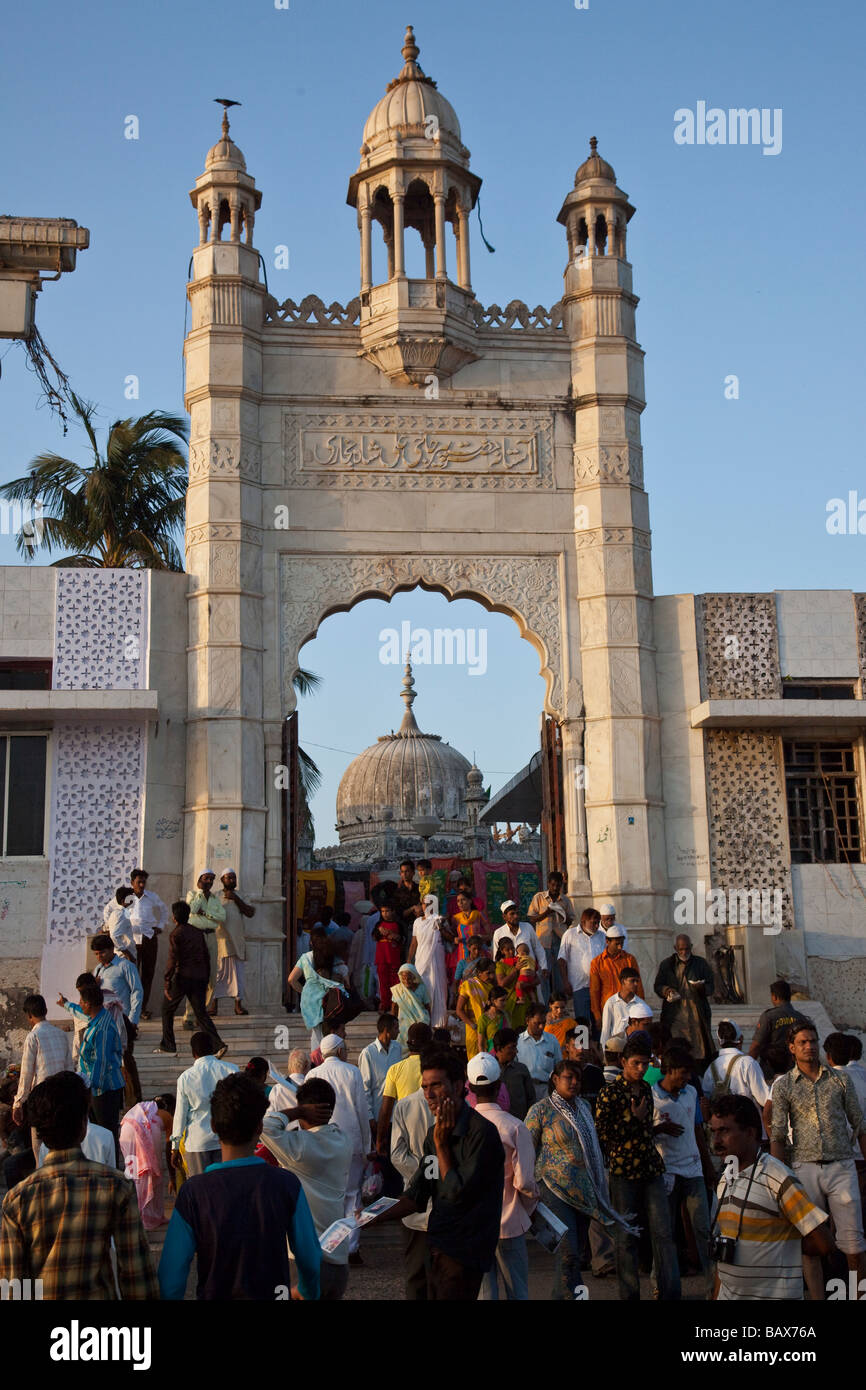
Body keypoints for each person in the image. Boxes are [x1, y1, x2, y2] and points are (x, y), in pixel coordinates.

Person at [159, 1071, 321, 1300]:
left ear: (213, 1126)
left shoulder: (193, 1192)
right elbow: (309, 1258)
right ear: (259, 1128)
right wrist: (308, 1291)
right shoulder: (285, 1184)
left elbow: (171, 1277)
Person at [0, 1071, 158, 1300]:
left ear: (40, 1132)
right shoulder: (117, 1188)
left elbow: (13, 1286)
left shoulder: (18, 1199)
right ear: (84, 1124)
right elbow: (137, 1278)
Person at [367, 1048, 505, 1300]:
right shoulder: (434, 1133)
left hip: (465, 1252)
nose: (428, 1095)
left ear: (457, 1085)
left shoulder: (482, 1135)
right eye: (425, 1086)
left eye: (436, 1085)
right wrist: (372, 1215)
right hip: (436, 1245)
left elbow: (456, 1193)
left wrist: (442, 1146)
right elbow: (419, 1192)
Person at [769, 1020, 866, 1297]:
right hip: (803, 1168)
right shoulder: (784, 1085)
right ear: (792, 1048)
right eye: (802, 1042)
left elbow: (859, 1124)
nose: (809, 1046)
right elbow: (777, 1133)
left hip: (841, 1165)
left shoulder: (840, 1079)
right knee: (809, 1244)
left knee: (854, 1244)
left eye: (812, 1041)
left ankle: (858, 1295)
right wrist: (778, 1181)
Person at [708, 1093, 835, 1301]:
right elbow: (725, 1255)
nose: (716, 1141)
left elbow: (823, 1243)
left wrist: (780, 1249)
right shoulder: (726, 1178)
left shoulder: (778, 1178)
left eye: (724, 1131)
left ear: (750, 1132)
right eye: (713, 1132)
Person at [526, 1059, 634, 1299]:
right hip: (552, 1191)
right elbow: (525, 1152)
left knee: (575, 1258)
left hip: (583, 1194)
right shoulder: (540, 1110)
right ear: (555, 1079)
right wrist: (526, 1190)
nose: (574, 1083)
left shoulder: (584, 1106)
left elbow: (593, 1147)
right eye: (568, 1078)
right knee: (568, 1254)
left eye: (578, 1079)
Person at [595, 1037, 680, 1301]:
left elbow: (644, 1132)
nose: (642, 1068)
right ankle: (629, 1295)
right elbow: (603, 1135)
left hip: (650, 1167)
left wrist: (644, 1124)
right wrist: (635, 1119)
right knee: (626, 1237)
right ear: (622, 1062)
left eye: (645, 1063)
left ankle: (669, 1293)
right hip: (623, 1171)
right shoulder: (608, 1093)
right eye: (636, 1063)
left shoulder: (645, 1088)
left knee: (664, 1233)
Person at [262, 1076, 353, 1300]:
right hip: (339, 1259)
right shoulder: (344, 1140)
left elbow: (264, 1126)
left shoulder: (299, 1148)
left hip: (305, 1259)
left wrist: (297, 1112)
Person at [468, 1052, 538, 1301]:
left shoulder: (464, 1126)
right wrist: (527, 1211)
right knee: (517, 1290)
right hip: (510, 1222)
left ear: (470, 1088)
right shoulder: (516, 1126)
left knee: (485, 1293)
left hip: (475, 1224)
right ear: (500, 1087)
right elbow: (525, 1182)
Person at [652, 1045, 715, 1298]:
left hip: (693, 1170)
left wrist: (707, 1166)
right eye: (682, 1072)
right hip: (665, 1171)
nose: (686, 1078)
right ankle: (663, 1287)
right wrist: (660, 1129)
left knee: (704, 1231)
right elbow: (643, 1132)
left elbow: (698, 1129)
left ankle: (715, 1288)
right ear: (668, 1071)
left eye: (688, 1073)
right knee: (664, 1233)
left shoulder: (690, 1093)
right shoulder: (651, 1096)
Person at [308, 1033, 369, 1264]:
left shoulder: (313, 1074)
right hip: (350, 1141)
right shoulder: (352, 1072)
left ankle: (328, 1246)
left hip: (320, 1142)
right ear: (341, 1051)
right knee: (353, 1196)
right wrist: (367, 1146)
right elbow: (362, 1111)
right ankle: (351, 1248)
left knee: (327, 1196)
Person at [58, 981, 125, 1164]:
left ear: (90, 1004)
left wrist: (87, 1088)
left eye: (81, 1001)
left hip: (103, 1088)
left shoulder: (102, 1028)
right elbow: (79, 1012)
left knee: (106, 1132)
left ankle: (111, 1169)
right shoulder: (97, 1017)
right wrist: (66, 1004)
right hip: (96, 1087)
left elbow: (101, 1063)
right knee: (95, 1131)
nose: (79, 1004)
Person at [155, 901, 227, 1058]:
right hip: (200, 977)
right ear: (188, 915)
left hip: (183, 977)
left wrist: (167, 981)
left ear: (174, 917)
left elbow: (172, 960)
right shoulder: (197, 932)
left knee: (167, 1009)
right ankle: (218, 1045)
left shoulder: (176, 934)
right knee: (201, 1013)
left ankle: (168, 1045)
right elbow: (206, 956)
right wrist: (207, 977)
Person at [12, 993, 71, 1162]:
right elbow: (69, 1070)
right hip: (61, 1098)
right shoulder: (60, 1034)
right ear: (45, 1011)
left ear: (29, 1015)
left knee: (40, 1151)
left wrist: (18, 1103)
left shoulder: (33, 1037)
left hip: (41, 1101)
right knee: (60, 1146)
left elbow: (26, 1075)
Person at [172, 1032, 238, 1176]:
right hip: (225, 1139)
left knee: (201, 1191)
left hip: (197, 1142)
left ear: (193, 1052)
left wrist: (175, 1146)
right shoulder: (231, 1070)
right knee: (225, 1188)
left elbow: (180, 1116)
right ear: (213, 1047)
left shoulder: (185, 1078)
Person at [390, 1081, 434, 1298]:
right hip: (430, 1204)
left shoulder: (405, 1105)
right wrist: (428, 1175)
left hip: (416, 1207)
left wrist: (420, 1175)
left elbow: (397, 1155)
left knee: (417, 1276)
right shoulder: (455, 1105)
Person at [91, 933, 143, 1104]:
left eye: (102, 953)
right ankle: (117, 1099)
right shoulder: (97, 970)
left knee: (127, 1060)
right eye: (97, 954)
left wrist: (133, 1019)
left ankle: (135, 1099)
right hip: (105, 1023)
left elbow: (137, 991)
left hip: (123, 1021)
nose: (99, 957)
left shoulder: (125, 966)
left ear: (111, 949)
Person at [654, 934, 716, 1072]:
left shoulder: (700, 963)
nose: (684, 952)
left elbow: (711, 987)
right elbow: (657, 986)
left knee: (699, 1051)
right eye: (681, 949)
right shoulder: (667, 964)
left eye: (687, 949)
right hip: (675, 1016)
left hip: (696, 1016)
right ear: (675, 948)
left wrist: (702, 987)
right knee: (676, 1051)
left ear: (691, 947)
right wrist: (667, 990)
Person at [376, 1021, 434, 1156]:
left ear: (409, 1043)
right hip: (434, 1128)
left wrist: (380, 1139)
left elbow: (386, 1109)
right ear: (430, 1043)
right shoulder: (436, 1068)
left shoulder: (395, 1069)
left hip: (406, 1131)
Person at [701, 1020, 770, 1130]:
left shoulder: (711, 1067)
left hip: (722, 1129)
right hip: (747, 1129)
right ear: (741, 1039)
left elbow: (706, 1099)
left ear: (719, 1042)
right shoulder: (748, 1063)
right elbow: (764, 1099)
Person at [287, 928, 348, 1050]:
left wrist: (304, 991)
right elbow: (346, 979)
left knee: (317, 1036)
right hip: (332, 1003)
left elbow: (291, 980)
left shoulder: (305, 958)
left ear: (311, 943)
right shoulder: (334, 958)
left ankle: (318, 1061)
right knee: (332, 1034)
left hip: (313, 1005)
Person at [119, 1098, 172, 1228]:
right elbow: (169, 1145)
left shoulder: (142, 1109)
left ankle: (134, 1215)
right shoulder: (168, 1115)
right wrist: (172, 1176)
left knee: (134, 1174)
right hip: (147, 1130)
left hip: (127, 1129)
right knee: (153, 1173)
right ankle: (150, 1216)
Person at [210, 868, 255, 1016]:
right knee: (218, 974)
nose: (232, 880)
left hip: (237, 942)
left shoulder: (242, 895)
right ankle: (213, 1005)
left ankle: (238, 1005)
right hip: (220, 942)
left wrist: (235, 899)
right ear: (222, 880)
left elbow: (250, 912)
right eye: (228, 878)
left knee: (238, 975)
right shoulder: (215, 896)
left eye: (234, 878)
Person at [127, 868, 170, 1017]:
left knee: (147, 974)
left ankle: (143, 1008)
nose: (141, 884)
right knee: (132, 975)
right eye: (138, 882)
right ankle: (131, 1008)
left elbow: (164, 911)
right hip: (132, 940)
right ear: (132, 882)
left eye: (143, 882)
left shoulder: (152, 896)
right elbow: (113, 912)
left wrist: (160, 927)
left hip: (149, 938)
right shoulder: (127, 898)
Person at [527, 870, 574, 1004]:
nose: (555, 888)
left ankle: (560, 1004)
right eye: (553, 885)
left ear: (561, 885)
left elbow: (570, 920)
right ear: (548, 884)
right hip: (543, 941)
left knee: (560, 973)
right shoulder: (539, 897)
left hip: (560, 940)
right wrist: (547, 912)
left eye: (558, 885)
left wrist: (561, 915)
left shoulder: (565, 900)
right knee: (544, 973)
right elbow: (531, 918)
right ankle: (546, 1005)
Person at [184, 869, 224, 1022]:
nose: (209, 882)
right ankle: (189, 1015)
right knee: (195, 976)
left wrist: (206, 913)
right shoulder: (192, 895)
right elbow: (192, 910)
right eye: (206, 878)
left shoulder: (215, 899)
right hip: (196, 936)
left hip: (211, 936)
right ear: (199, 879)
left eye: (212, 879)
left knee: (211, 976)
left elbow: (222, 917)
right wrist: (201, 892)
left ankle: (202, 1014)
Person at [358, 1013, 401, 1149]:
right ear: (386, 1031)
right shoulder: (368, 1053)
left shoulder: (397, 1048)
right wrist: (370, 1117)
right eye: (396, 1028)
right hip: (377, 1116)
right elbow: (365, 1089)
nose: (399, 1031)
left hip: (395, 1116)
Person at [408, 894, 452, 1028]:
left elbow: (450, 938)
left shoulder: (439, 919)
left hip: (436, 959)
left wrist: (441, 926)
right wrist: (409, 961)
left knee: (437, 987)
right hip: (421, 960)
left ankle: (438, 1025)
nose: (426, 907)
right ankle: (422, 1023)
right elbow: (414, 943)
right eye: (424, 904)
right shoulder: (417, 922)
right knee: (422, 988)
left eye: (429, 904)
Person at [590, 926, 644, 1033]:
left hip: (629, 1008)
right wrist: (597, 1016)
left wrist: (641, 1009)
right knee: (610, 1043)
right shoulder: (597, 963)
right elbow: (594, 991)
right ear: (607, 942)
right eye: (617, 944)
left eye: (621, 943)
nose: (620, 947)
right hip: (608, 1009)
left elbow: (638, 986)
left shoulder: (630, 959)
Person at [557, 907, 606, 1025]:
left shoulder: (602, 936)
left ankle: (597, 1043)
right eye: (593, 922)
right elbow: (561, 960)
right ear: (583, 921)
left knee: (598, 1023)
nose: (596, 925)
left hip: (598, 986)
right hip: (579, 986)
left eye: (597, 923)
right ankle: (583, 1044)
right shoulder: (570, 934)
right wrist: (565, 982)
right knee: (582, 1024)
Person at [747, 980, 811, 1062]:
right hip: (794, 1065)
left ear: (774, 997)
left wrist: (748, 1064)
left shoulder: (769, 1016)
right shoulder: (801, 1018)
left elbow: (756, 1046)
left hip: (772, 1067)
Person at [492, 901, 547, 987]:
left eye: (517, 913)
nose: (516, 916)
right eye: (512, 914)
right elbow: (497, 958)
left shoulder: (528, 927)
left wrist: (544, 967)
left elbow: (538, 948)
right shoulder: (498, 933)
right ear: (504, 916)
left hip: (529, 973)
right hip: (510, 976)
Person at [518, 1004, 562, 1101]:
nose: (541, 1027)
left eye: (543, 1023)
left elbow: (559, 1067)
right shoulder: (517, 1041)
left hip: (546, 1090)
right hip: (524, 1090)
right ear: (527, 1020)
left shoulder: (552, 1040)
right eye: (537, 1023)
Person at [455, 956, 495, 1060]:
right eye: (488, 973)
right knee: (475, 1062)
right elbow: (459, 1010)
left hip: (489, 1031)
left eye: (493, 973)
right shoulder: (468, 985)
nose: (492, 976)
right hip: (474, 1031)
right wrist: (473, 1025)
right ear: (479, 973)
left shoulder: (491, 987)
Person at [493, 1029, 535, 1121]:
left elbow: (531, 1099)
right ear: (499, 1048)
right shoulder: (488, 1069)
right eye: (512, 1047)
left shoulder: (522, 1069)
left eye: (516, 1047)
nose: (516, 1051)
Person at [390, 961, 431, 1050]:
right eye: (404, 978)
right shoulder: (398, 989)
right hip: (403, 1023)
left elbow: (427, 1006)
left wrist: (429, 1024)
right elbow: (394, 1007)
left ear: (414, 977)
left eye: (409, 978)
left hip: (419, 1022)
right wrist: (392, 1023)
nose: (406, 981)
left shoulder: (422, 988)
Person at [600, 967, 642, 1047]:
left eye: (637, 981)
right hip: (615, 1047)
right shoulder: (611, 1003)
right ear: (623, 981)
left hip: (634, 1047)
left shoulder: (640, 1004)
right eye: (632, 981)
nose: (636, 984)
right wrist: (604, 1053)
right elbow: (605, 1031)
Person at [373, 901, 404, 1011]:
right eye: (382, 911)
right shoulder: (378, 925)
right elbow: (374, 937)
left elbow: (402, 939)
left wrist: (391, 935)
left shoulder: (399, 924)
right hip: (382, 958)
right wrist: (381, 932)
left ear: (393, 911)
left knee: (395, 983)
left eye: (387, 911)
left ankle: (395, 1005)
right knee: (383, 983)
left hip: (394, 958)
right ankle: (384, 1004)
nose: (384, 914)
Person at [450, 889, 490, 961]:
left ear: (470, 901)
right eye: (458, 901)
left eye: (463, 900)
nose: (460, 903)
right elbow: (453, 936)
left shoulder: (479, 915)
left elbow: (490, 936)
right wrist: (455, 939)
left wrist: (481, 937)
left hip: (478, 951)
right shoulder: (455, 918)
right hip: (463, 952)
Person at [102, 887, 137, 962]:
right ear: (123, 901)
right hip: (123, 957)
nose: (133, 900)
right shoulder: (120, 914)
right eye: (130, 898)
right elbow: (114, 936)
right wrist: (128, 954)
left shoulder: (119, 913)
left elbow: (106, 927)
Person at [477, 985, 511, 1054]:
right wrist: (484, 1059)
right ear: (493, 1000)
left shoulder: (506, 1015)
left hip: (507, 1053)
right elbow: (480, 1044)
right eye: (502, 1000)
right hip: (491, 1054)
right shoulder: (484, 1018)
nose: (505, 1003)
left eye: (506, 1000)